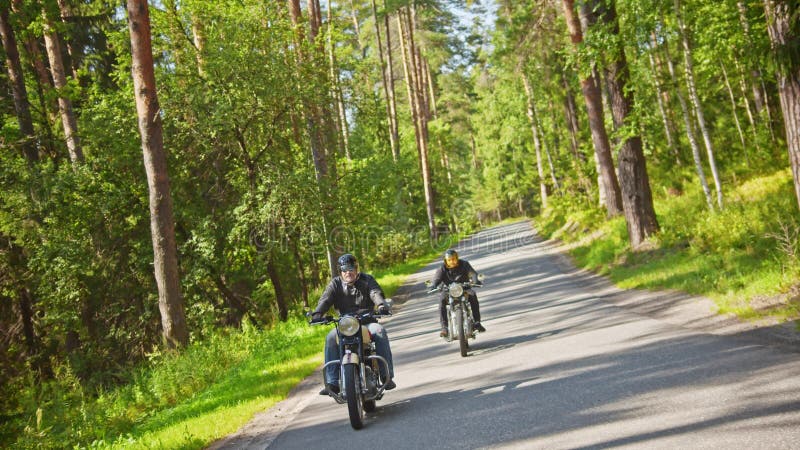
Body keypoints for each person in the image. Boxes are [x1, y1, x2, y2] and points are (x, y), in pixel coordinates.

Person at [311, 253, 396, 395]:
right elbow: (325, 300)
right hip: (345, 325)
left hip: (367, 322)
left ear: (356, 269)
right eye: (344, 270)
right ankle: (332, 382)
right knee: (331, 338)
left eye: (351, 268)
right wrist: (317, 314)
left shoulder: (367, 280)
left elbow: (375, 293)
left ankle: (386, 376)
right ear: (340, 272)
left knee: (380, 331)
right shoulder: (335, 284)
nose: (348, 272)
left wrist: (381, 305)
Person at [429, 249, 485, 337]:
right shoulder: (442, 268)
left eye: (454, 259)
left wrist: (476, 280)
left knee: (473, 295)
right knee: (441, 300)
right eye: (449, 260)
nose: (452, 261)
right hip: (448, 290)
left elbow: (472, 273)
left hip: (464, 288)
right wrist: (433, 285)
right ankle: (444, 328)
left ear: (457, 258)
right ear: (446, 261)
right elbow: (437, 278)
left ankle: (477, 322)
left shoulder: (464, 264)